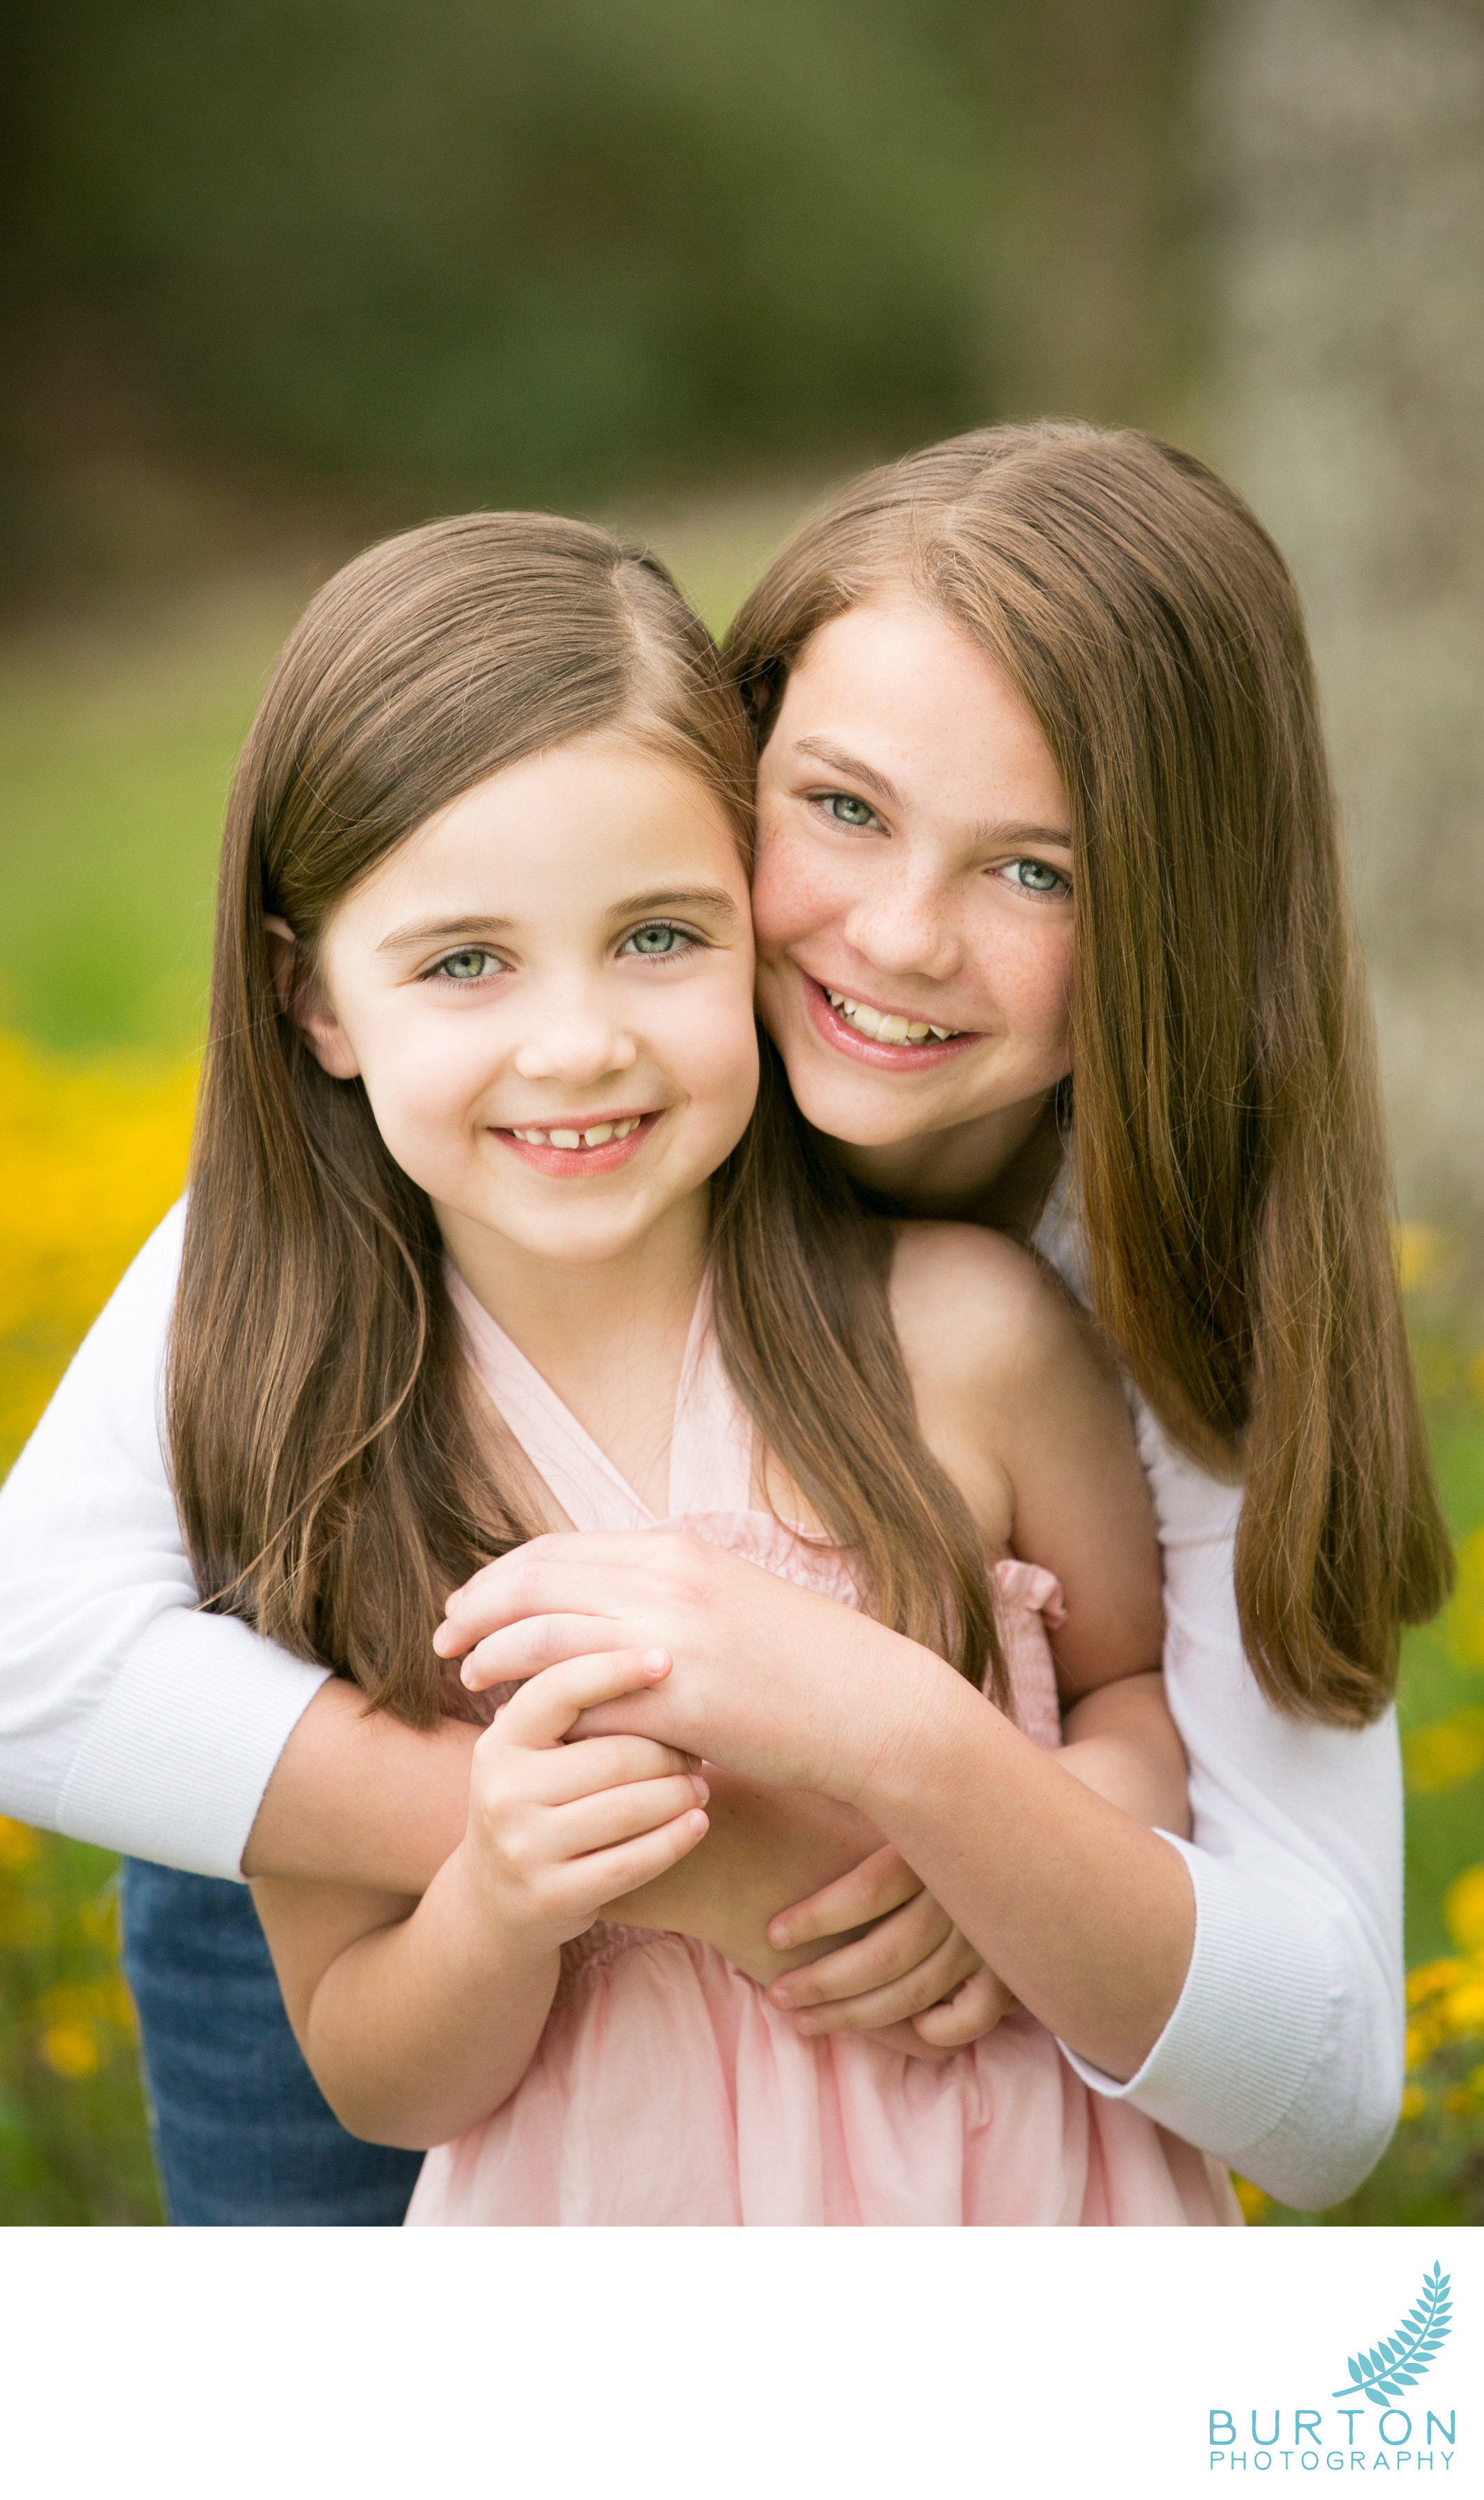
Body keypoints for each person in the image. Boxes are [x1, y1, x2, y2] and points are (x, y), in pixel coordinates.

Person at [0, 426, 1448, 2220]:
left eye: (1040, 871)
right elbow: (31, 1655)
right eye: (840, 808)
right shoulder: (420, 1171)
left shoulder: (1087, 1291)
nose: (901, 937)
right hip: (428, 1931)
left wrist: (939, 1777)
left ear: (1180, 920)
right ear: (729, 764)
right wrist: (698, 1855)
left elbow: (1313, 2083)